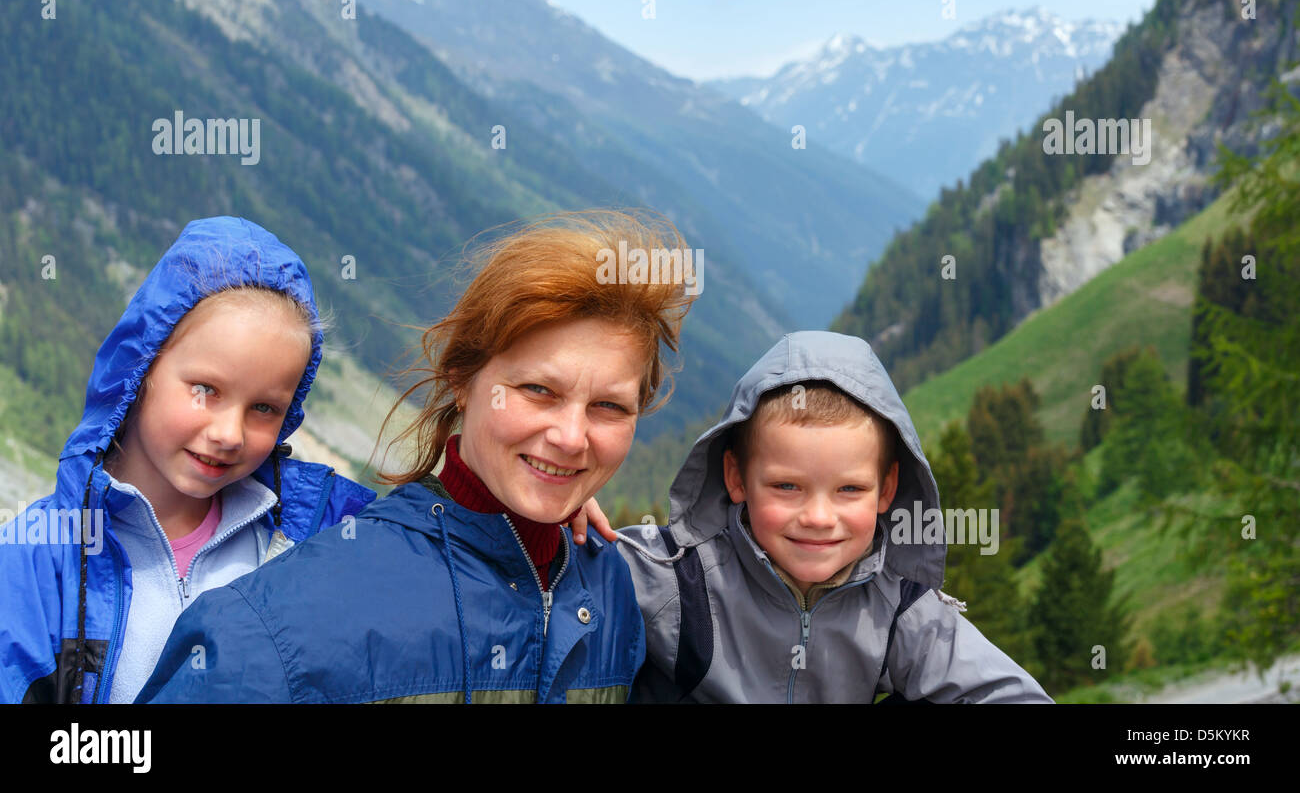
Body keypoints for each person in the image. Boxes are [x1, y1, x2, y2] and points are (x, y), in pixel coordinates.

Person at [136, 209, 696, 703]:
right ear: (462, 382)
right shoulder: (279, 626)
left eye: (608, 407)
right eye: (538, 391)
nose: (573, 438)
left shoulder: (611, 593)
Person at [0, 216, 375, 703]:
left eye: (265, 408)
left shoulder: (315, 534)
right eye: (206, 390)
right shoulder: (39, 558)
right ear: (143, 369)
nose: (229, 434)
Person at [610, 330, 1053, 702]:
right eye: (787, 487)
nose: (819, 517)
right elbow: (559, 572)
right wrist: (566, 515)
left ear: (887, 490)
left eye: (849, 490)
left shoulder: (897, 605)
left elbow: (1008, 694)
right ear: (736, 478)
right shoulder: (674, 577)